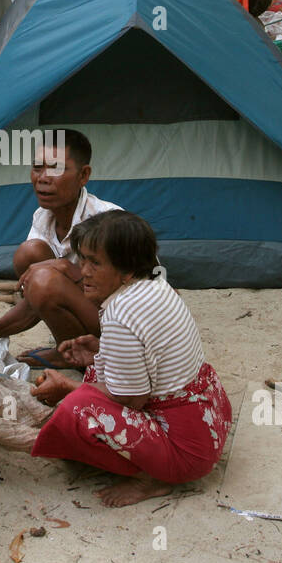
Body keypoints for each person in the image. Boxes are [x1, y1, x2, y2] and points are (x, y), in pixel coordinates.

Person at [28, 211, 233, 507]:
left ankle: (151, 479)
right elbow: (151, 354)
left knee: (77, 408)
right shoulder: (153, 285)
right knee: (92, 375)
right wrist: (102, 351)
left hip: (186, 455)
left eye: (94, 263)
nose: (82, 271)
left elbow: (132, 400)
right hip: (210, 419)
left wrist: (66, 387)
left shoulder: (121, 314)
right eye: (82, 259)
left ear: (125, 271)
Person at [0, 129, 121, 368]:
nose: (43, 178)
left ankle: (95, 357)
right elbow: (34, 300)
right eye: (37, 167)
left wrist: (66, 269)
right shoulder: (43, 217)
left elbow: (145, 299)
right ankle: (69, 349)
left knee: (45, 278)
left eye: (56, 168)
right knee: (30, 254)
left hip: (122, 329)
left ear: (83, 175)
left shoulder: (109, 222)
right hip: (90, 313)